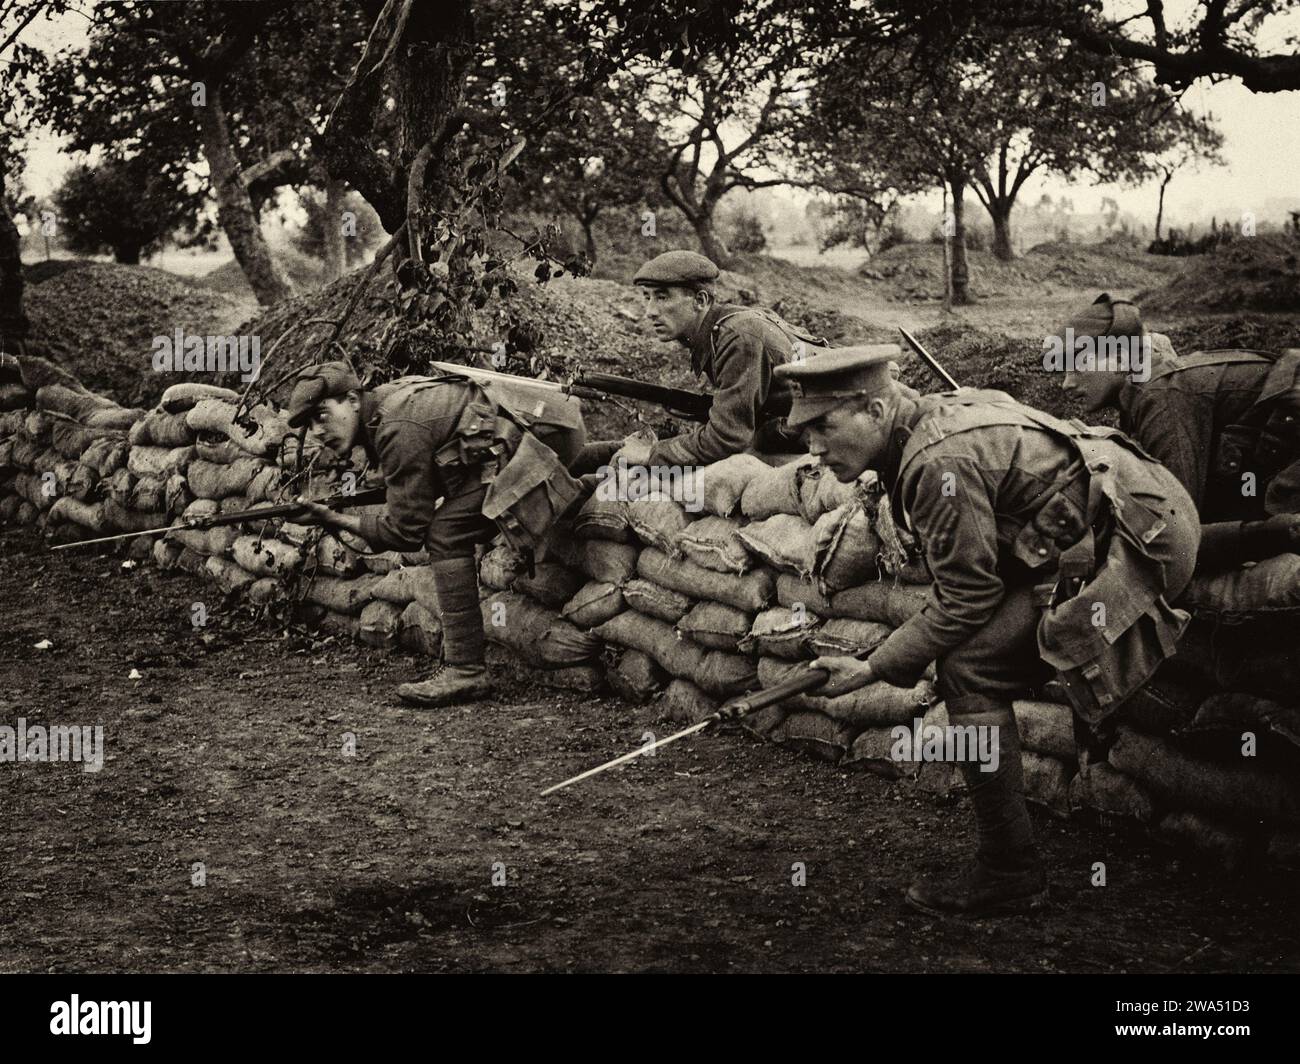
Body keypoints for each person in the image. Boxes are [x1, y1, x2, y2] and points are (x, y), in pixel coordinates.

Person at [775, 347, 1200, 917]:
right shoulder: (934, 418)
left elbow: (967, 597)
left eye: (824, 427)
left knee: (969, 670)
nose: (815, 450)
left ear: (875, 410)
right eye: (805, 432)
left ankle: (1010, 872)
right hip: (1134, 505)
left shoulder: (934, 462)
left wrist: (874, 666)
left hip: (1140, 537)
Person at [286, 361, 586, 708]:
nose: (318, 431)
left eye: (321, 415)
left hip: (544, 436)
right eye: (310, 424)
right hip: (552, 425)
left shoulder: (396, 426)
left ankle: (466, 670)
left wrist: (332, 518)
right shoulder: (382, 408)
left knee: (446, 532)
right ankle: (605, 460)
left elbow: (406, 532)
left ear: (352, 399)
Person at [1053, 293, 1300, 570]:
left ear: (1121, 359)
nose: (1067, 384)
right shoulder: (1148, 393)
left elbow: (1177, 529)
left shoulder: (1161, 396)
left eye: (1077, 367)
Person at [606, 249, 826, 471]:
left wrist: (652, 453)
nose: (650, 311)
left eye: (662, 297)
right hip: (804, 424)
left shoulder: (738, 337)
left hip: (827, 430)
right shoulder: (721, 328)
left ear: (700, 300)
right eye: (648, 297)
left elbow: (726, 439)